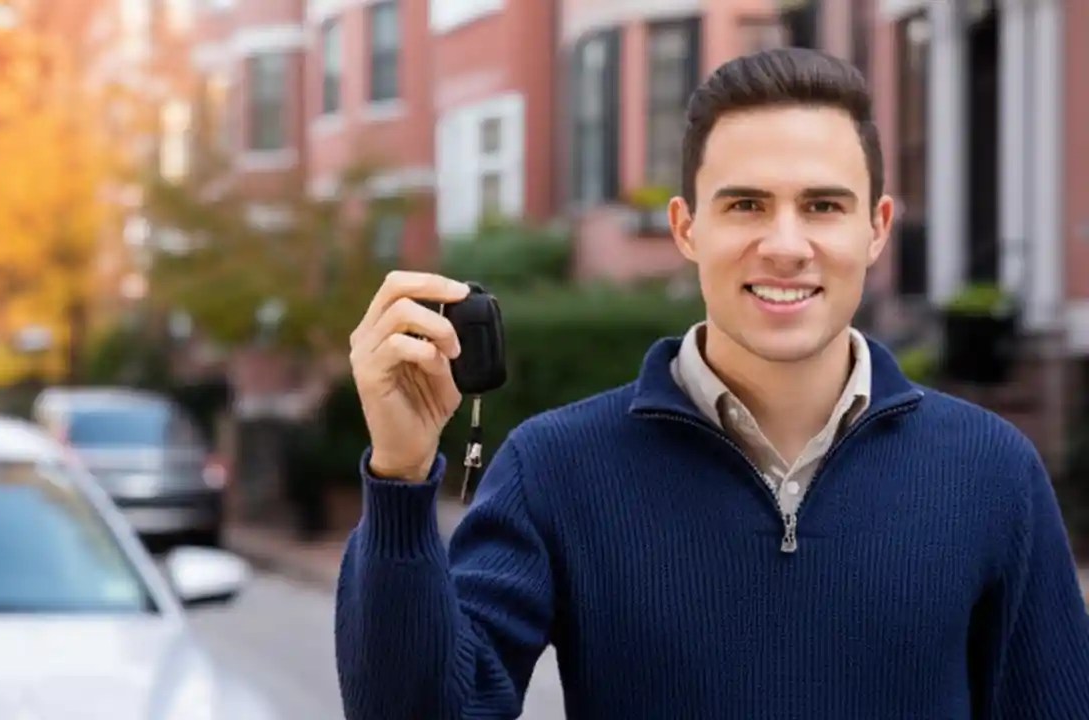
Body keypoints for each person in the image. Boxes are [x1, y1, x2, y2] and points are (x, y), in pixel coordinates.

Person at [334, 48, 1089, 718]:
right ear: (687, 227)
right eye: (746, 205)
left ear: (877, 228)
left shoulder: (993, 472)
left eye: (823, 206)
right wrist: (400, 477)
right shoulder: (556, 469)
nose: (785, 245)